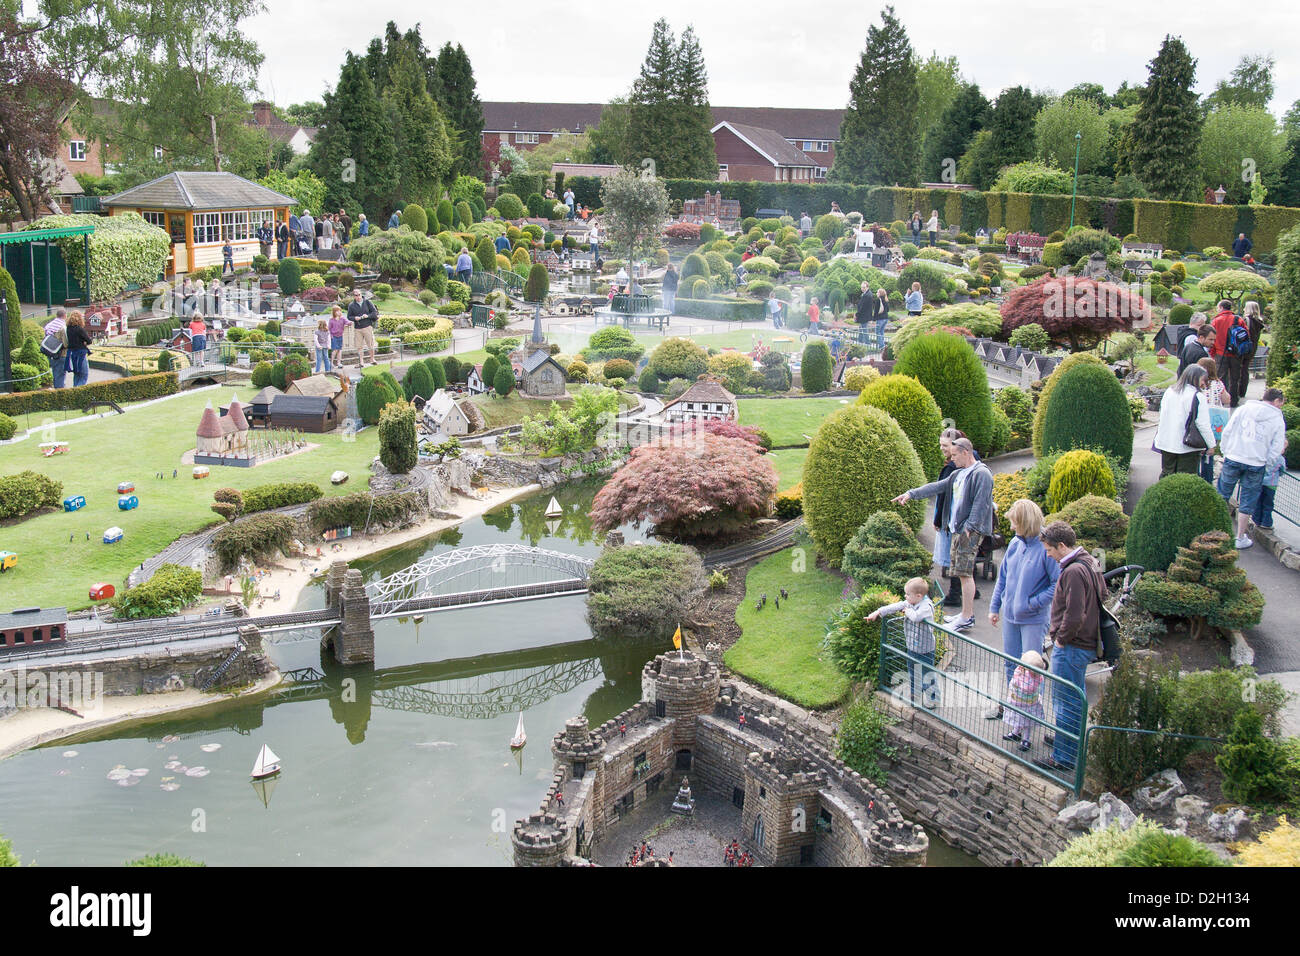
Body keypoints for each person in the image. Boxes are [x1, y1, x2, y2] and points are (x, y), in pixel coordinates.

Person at [893, 436, 994, 631]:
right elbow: (938, 486)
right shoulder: (960, 474)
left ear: (966, 452)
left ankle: (967, 617)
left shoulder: (981, 474)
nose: (952, 459)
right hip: (958, 530)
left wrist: (969, 528)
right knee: (961, 573)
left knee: (965, 574)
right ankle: (964, 614)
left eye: (955, 455)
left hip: (968, 532)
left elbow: (981, 504)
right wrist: (911, 494)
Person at [1037, 521, 1105, 773]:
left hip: (1073, 645)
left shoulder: (1073, 572)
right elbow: (1104, 594)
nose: (1049, 555)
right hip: (1085, 643)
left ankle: (1063, 756)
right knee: (1075, 697)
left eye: (1050, 550)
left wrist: (1060, 640)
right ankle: (1068, 741)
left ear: (1062, 546)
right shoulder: (1090, 561)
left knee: (1066, 701)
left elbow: (1074, 614)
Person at [986, 499, 1059, 719]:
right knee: (1011, 664)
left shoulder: (1046, 549)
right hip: (1010, 617)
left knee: (1032, 668)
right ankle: (1012, 710)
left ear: (1025, 523)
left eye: (1015, 523)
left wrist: (1032, 603)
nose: (1011, 527)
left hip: (1033, 620)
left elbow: (1057, 584)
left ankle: (1032, 715)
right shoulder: (1015, 544)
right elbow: (1003, 578)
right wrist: (994, 606)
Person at [1217, 388, 1287, 549]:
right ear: (1276, 401)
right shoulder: (1277, 418)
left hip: (1234, 456)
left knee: (1222, 495)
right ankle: (1240, 537)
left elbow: (1227, 431)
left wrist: (1227, 452)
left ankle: (1216, 532)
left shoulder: (1244, 409)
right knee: (1247, 501)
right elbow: (1276, 447)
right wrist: (1267, 463)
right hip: (1257, 462)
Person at [866, 577, 937, 707]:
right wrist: (877, 612)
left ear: (918, 595)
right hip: (912, 646)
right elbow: (895, 606)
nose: (905, 596)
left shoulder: (926, 606)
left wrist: (907, 611)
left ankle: (932, 698)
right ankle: (914, 693)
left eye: (907, 594)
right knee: (912, 672)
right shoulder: (911, 602)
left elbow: (916, 617)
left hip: (925, 649)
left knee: (927, 674)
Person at [1154, 364, 1216, 478]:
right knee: (1185, 478)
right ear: (1195, 378)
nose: (1204, 384)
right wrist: (1211, 445)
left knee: (1167, 475)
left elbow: (1163, 414)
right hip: (1187, 445)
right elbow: (1202, 424)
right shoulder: (1197, 396)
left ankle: (1162, 495)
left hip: (1166, 441)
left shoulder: (1170, 391)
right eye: (1203, 380)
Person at [1002, 650, 1047, 752]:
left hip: (1028, 703)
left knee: (1026, 721)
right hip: (1018, 700)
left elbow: (1026, 688)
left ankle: (1026, 739)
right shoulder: (1023, 671)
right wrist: (1019, 673)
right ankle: (1016, 732)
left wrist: (1019, 677)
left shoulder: (1036, 677)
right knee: (1017, 717)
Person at [1196, 357, 1230, 483]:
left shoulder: (1199, 384)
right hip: (1214, 423)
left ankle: (1197, 478)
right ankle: (1207, 480)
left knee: (1197, 451)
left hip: (1201, 421)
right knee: (1209, 454)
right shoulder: (1218, 384)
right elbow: (1227, 400)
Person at [1211, 299, 1250, 407]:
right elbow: (1246, 336)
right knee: (1235, 378)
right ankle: (1233, 401)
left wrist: (1212, 353)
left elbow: (1212, 338)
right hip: (1236, 354)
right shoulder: (1239, 320)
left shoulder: (1216, 320)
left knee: (1220, 378)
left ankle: (1222, 401)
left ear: (1221, 308)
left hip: (1220, 353)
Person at [1254, 437, 1287, 532]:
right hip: (1272, 484)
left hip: (1260, 482)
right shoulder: (1280, 459)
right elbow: (1282, 471)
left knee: (1259, 501)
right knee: (1268, 503)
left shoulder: (1265, 455)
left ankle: (1257, 520)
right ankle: (1266, 522)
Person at [1238, 300, 1266, 402]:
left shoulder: (1246, 320)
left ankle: (1239, 391)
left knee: (1240, 369)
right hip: (1252, 349)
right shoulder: (1259, 321)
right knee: (1245, 370)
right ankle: (1243, 391)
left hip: (1244, 348)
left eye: (1245, 307)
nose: (1244, 309)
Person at [347, 289, 379, 367]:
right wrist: (355, 318)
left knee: (370, 343)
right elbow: (349, 316)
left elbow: (374, 313)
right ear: (353, 296)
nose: (358, 297)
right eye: (356, 295)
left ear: (361, 294)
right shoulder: (351, 305)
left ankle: (372, 359)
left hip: (367, 326)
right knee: (359, 346)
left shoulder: (367, 302)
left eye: (359, 295)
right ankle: (361, 362)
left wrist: (367, 316)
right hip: (358, 328)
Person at [65, 311, 92, 388]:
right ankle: (79, 393)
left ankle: (74, 391)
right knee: (84, 375)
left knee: (76, 375)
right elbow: (89, 341)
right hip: (80, 353)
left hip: (71, 353)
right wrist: (84, 343)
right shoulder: (80, 329)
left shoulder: (68, 328)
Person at [42, 309, 68, 389]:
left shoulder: (49, 325)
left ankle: (57, 388)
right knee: (60, 374)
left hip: (50, 353)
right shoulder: (63, 326)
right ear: (65, 316)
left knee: (55, 373)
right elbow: (65, 343)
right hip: (60, 354)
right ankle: (59, 392)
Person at [328, 305, 347, 369]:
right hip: (334, 336)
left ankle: (339, 363)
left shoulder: (342, 318)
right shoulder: (331, 320)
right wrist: (331, 336)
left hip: (340, 336)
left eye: (339, 311)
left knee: (339, 350)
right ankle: (331, 363)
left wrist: (351, 322)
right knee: (335, 350)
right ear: (334, 312)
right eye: (337, 311)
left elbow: (347, 322)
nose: (339, 312)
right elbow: (329, 329)